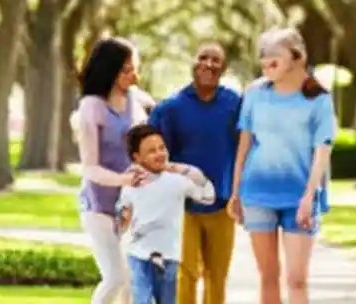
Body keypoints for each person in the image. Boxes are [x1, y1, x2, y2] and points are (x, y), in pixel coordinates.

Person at [228, 28, 337, 304]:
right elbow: (244, 145)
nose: (266, 64)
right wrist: (235, 191)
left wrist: (309, 196)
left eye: (274, 57)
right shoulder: (254, 93)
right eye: (263, 58)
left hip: (300, 197)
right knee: (268, 276)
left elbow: (321, 152)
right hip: (257, 194)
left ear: (297, 57)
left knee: (297, 280)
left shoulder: (319, 98)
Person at [149, 43, 242, 304]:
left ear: (223, 68)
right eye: (203, 58)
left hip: (222, 204)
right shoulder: (171, 108)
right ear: (193, 63)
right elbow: (149, 154)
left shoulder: (234, 105)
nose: (209, 64)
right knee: (185, 272)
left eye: (216, 60)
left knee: (217, 275)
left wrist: (239, 192)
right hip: (182, 207)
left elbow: (246, 149)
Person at [78, 36, 151, 304]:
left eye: (134, 68)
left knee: (132, 281)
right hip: (98, 205)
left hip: (130, 206)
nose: (133, 76)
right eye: (127, 70)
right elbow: (90, 168)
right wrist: (123, 179)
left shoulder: (136, 101)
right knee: (115, 277)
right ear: (110, 70)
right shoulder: (92, 107)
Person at [118, 124, 217, 304]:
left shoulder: (178, 182)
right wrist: (121, 219)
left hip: (169, 256)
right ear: (137, 157)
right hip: (139, 255)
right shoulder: (132, 183)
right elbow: (123, 217)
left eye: (162, 148)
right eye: (151, 151)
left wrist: (180, 168)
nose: (159, 154)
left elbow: (209, 196)